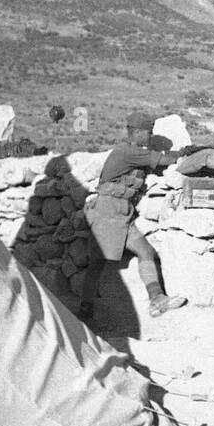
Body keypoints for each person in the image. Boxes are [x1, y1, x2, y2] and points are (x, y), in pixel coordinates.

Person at [80, 111, 188, 321]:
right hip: (107, 212)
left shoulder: (134, 151)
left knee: (146, 251)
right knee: (97, 263)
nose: (150, 136)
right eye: (148, 132)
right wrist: (184, 154)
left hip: (122, 212)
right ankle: (85, 311)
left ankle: (157, 299)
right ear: (137, 132)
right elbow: (165, 160)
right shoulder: (127, 152)